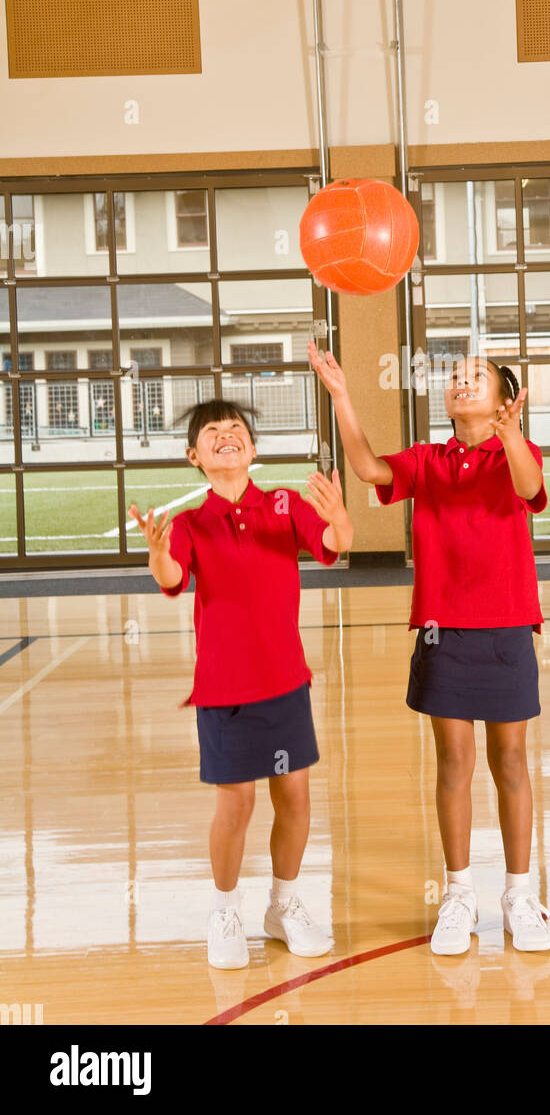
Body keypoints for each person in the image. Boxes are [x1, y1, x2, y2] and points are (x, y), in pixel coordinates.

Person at [309, 341, 550, 955]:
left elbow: (528, 487)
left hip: (507, 627)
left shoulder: (513, 454)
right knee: (454, 762)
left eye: (479, 377)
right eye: (456, 376)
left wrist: (514, 433)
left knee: (512, 761)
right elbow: (366, 468)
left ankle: (520, 894)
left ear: (504, 399)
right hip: (444, 629)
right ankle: (459, 893)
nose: (462, 381)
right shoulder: (427, 460)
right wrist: (342, 397)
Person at [130, 398, 352, 970]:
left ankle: (283, 905)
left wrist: (342, 523)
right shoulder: (188, 525)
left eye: (236, 431)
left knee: (294, 796)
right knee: (239, 802)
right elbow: (174, 576)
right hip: (224, 688)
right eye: (212, 432)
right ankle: (225, 909)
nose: (226, 436)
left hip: (284, 680)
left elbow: (331, 544)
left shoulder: (284, 505)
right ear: (193, 456)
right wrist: (157, 557)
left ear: (251, 450)